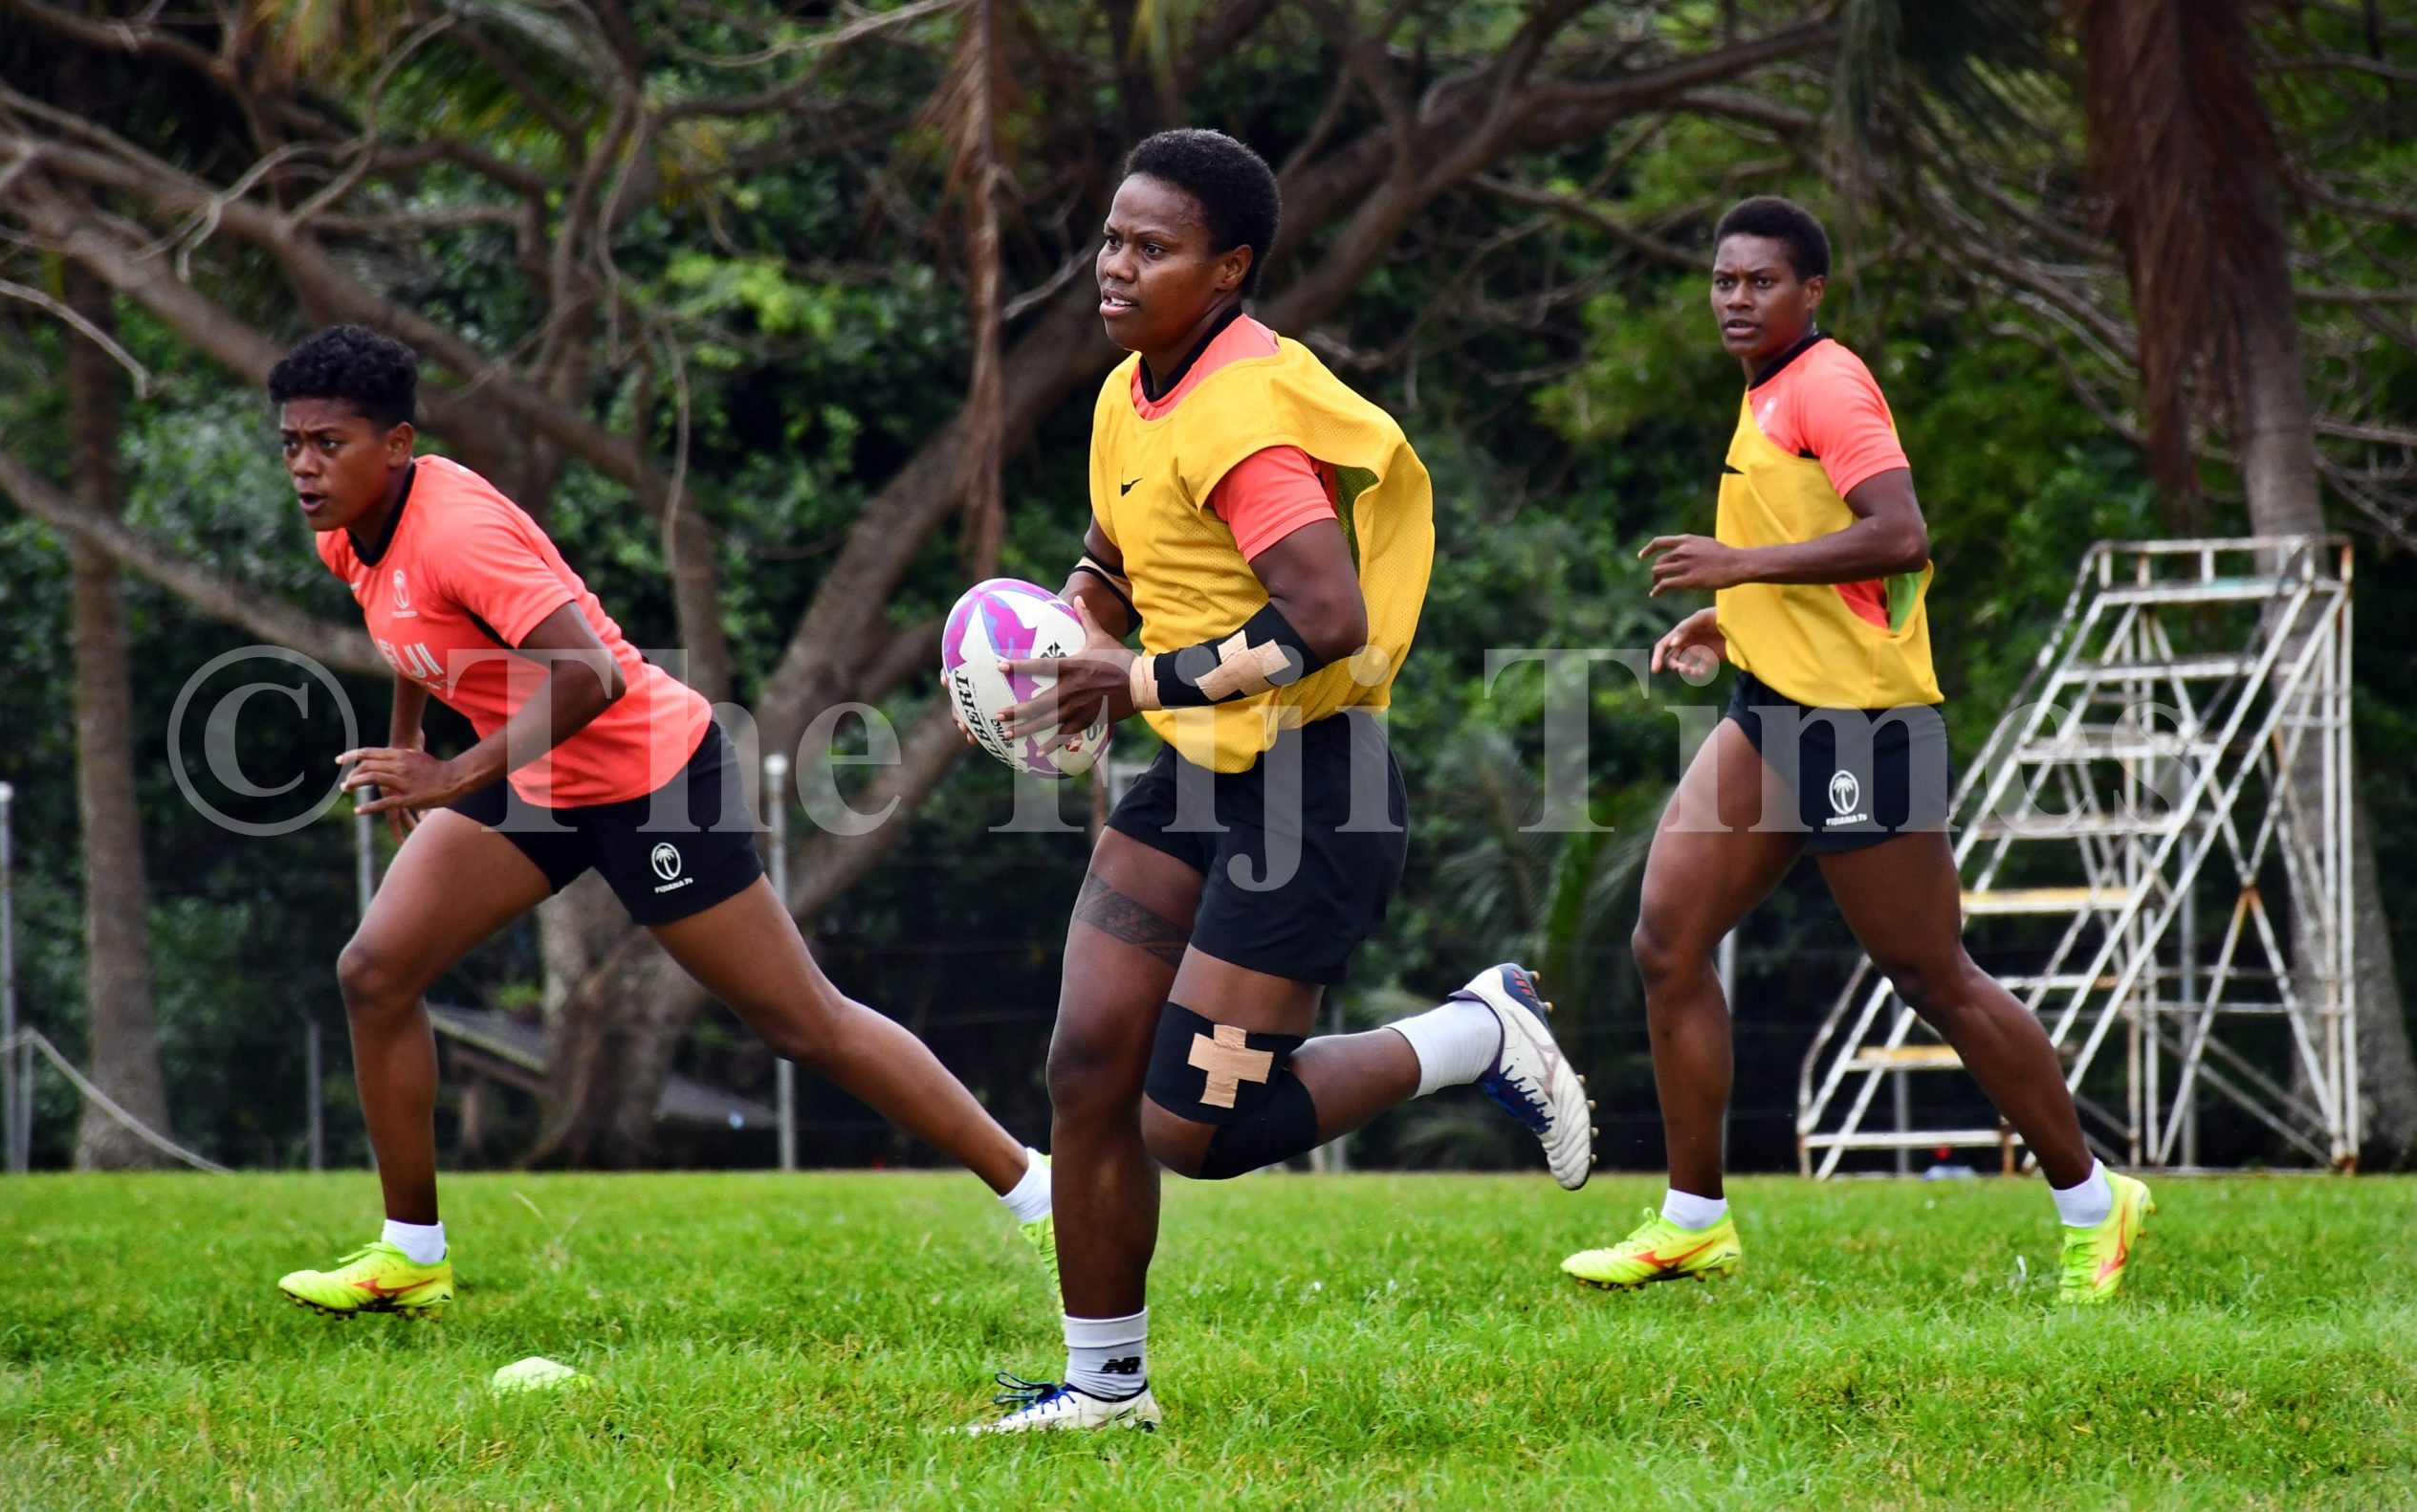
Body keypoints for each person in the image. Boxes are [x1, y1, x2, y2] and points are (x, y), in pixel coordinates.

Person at [966, 130, 1593, 1435]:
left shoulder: (1249, 416)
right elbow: (1110, 558)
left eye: (1154, 247)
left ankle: (1477, 1033)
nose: (1117, 266)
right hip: (1197, 776)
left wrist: (1128, 683)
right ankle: (1104, 1388)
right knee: (1086, 1065)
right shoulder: (1131, 389)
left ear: (1230, 267)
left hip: (1313, 791)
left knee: (1196, 1128)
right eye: (1114, 239)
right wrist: (1069, 628)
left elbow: (1326, 618)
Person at [266, 325, 1056, 1318]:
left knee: (798, 1020)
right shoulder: (345, 527)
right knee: (375, 972)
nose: (303, 466)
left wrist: (451, 771)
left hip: (648, 776)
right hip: (532, 776)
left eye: (326, 443)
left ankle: (1043, 1191)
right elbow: (409, 638)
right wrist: (408, 769)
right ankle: (412, 1255)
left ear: (396, 444)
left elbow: (588, 674)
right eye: (291, 442)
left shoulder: (454, 529)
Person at [1559, 197, 2152, 1304]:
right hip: (1769, 709)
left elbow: (1899, 533)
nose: (1737, 300)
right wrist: (1729, 620)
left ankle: (2091, 1198)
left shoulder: (1828, 381)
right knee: (1665, 942)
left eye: (1762, 282)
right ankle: (1693, 1221)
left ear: (1811, 291)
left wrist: (1736, 573)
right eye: (1724, 281)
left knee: (1929, 971)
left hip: (1864, 729)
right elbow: (1814, 557)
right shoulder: (1763, 396)